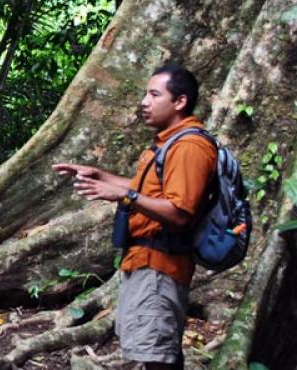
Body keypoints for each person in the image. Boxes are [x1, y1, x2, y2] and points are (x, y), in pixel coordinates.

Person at [53, 64, 215, 369]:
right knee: (153, 355)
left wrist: (123, 196)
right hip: (143, 264)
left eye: (154, 94)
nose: (144, 101)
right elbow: (146, 189)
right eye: (145, 93)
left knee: (156, 358)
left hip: (159, 270)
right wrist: (99, 175)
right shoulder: (168, 143)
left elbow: (180, 213)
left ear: (180, 102)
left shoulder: (189, 147)